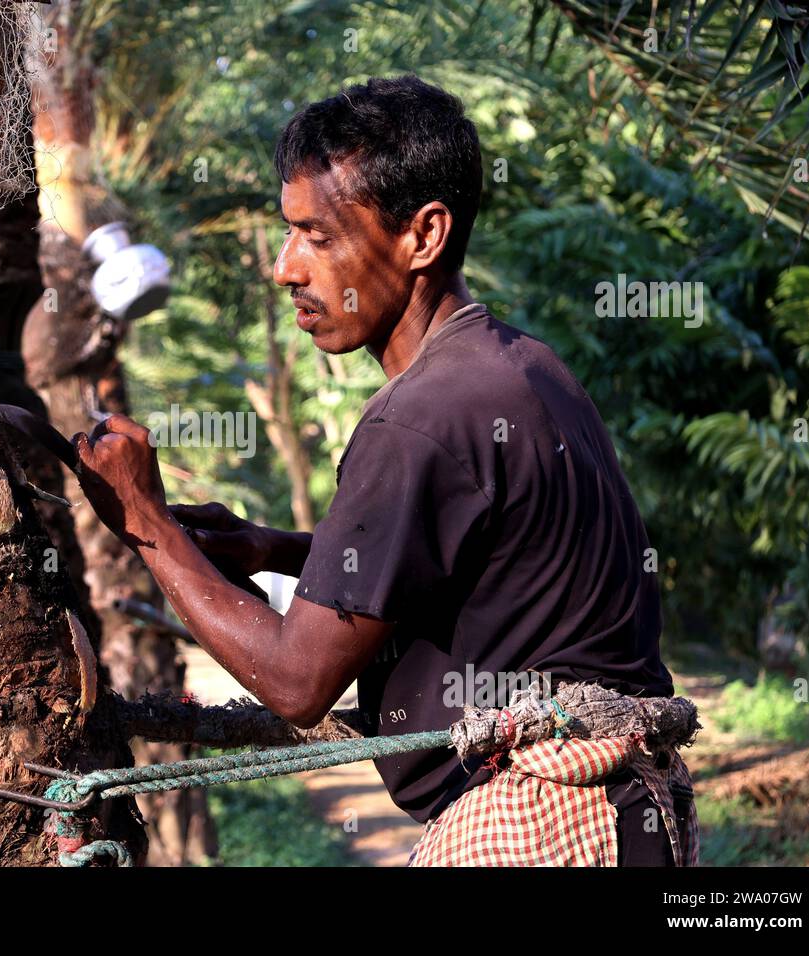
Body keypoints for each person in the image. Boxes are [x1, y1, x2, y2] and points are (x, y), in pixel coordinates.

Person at [70, 74, 696, 866]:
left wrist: (147, 522)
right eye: (288, 232)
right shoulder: (525, 368)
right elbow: (475, 563)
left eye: (319, 236)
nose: (286, 267)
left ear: (423, 236)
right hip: (629, 812)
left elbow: (298, 684)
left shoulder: (419, 418)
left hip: (540, 824)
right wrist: (274, 550)